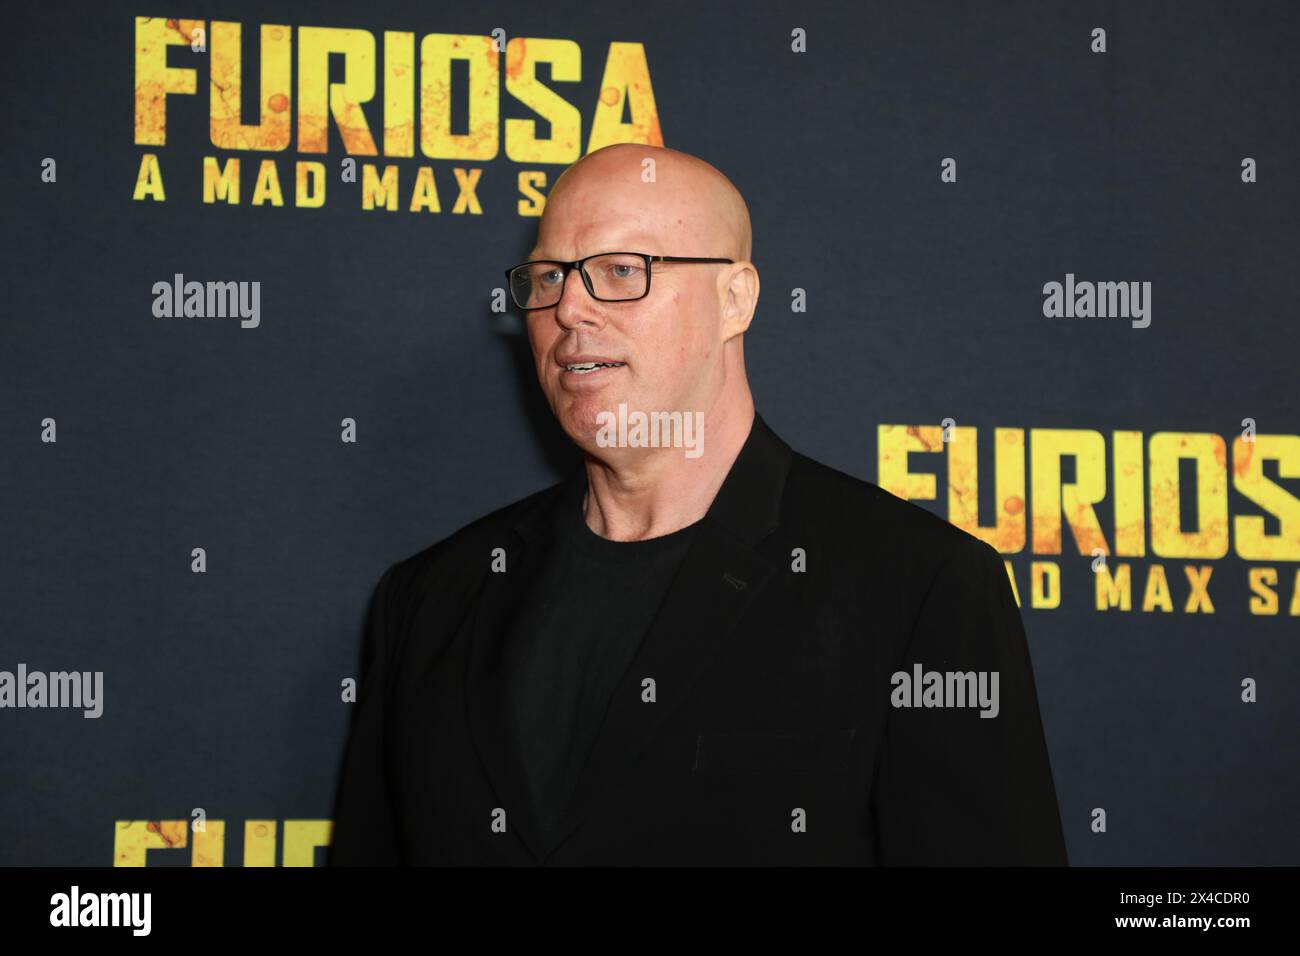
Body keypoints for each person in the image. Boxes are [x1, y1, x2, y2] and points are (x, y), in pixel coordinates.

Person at [328, 143, 1068, 865]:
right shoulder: (430, 599)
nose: (571, 310)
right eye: (549, 277)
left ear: (734, 300)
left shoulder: (917, 587)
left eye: (623, 270)